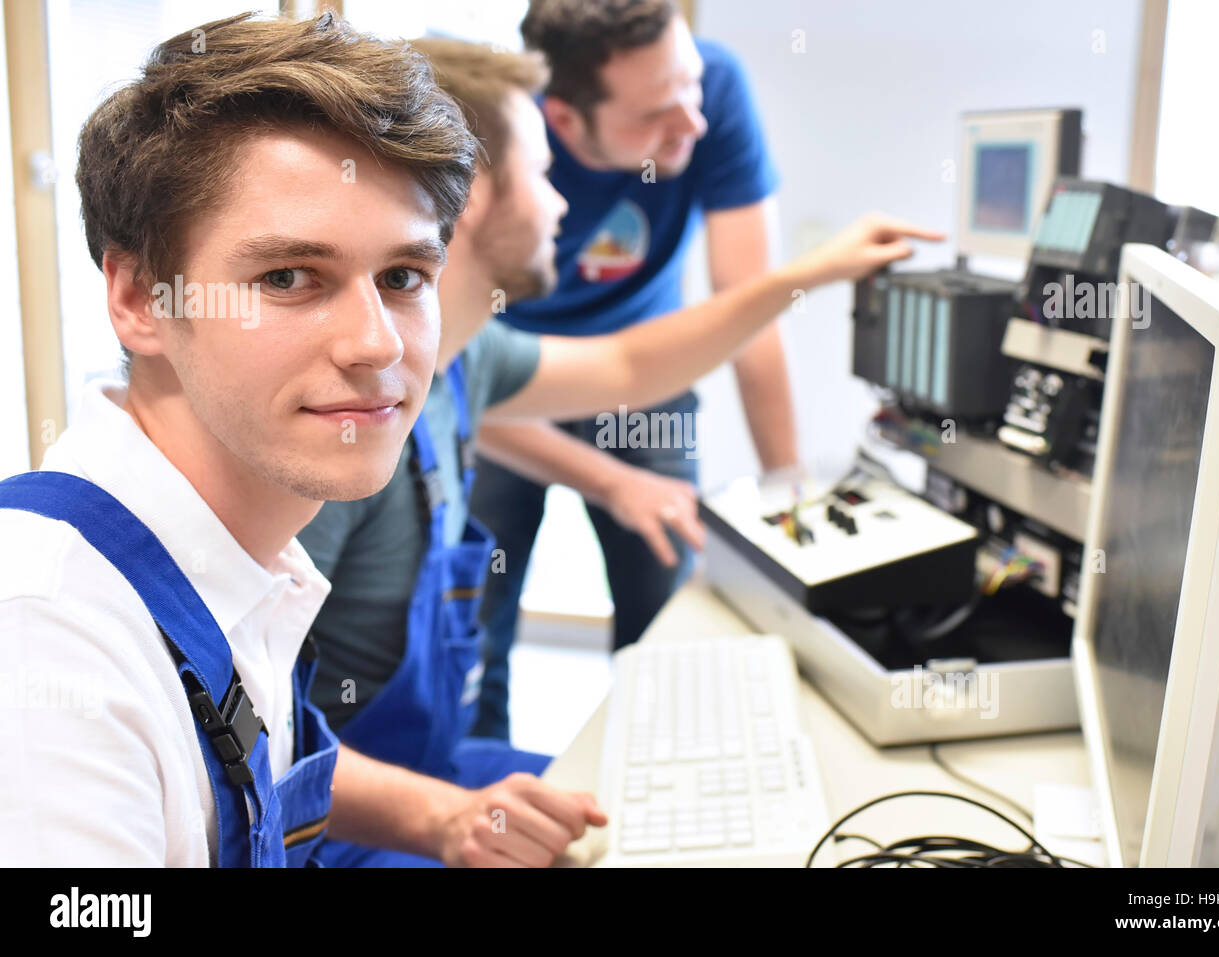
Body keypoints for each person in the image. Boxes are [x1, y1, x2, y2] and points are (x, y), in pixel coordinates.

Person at [297, 34, 941, 866]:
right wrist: (445, 819)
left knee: (646, 812)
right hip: (350, 828)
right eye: (540, 174)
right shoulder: (340, 428)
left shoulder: (467, 360)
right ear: (477, 191)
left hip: (431, 765)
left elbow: (633, 365)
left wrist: (806, 274)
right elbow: (256, 741)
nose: (564, 207)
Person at [0, 13, 609, 867]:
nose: (378, 344)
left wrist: (439, 820)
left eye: (403, 277)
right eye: (289, 277)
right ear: (140, 300)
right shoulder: (49, 641)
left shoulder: (253, 569)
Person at [469, 0, 796, 741]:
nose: (693, 123)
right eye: (654, 116)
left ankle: (661, 771)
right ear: (563, 119)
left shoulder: (706, 89)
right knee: (475, 617)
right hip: (510, 378)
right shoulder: (496, 124)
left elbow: (749, 313)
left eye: (691, 89)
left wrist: (789, 494)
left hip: (644, 375)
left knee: (664, 614)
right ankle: (477, 805)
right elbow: (454, 374)